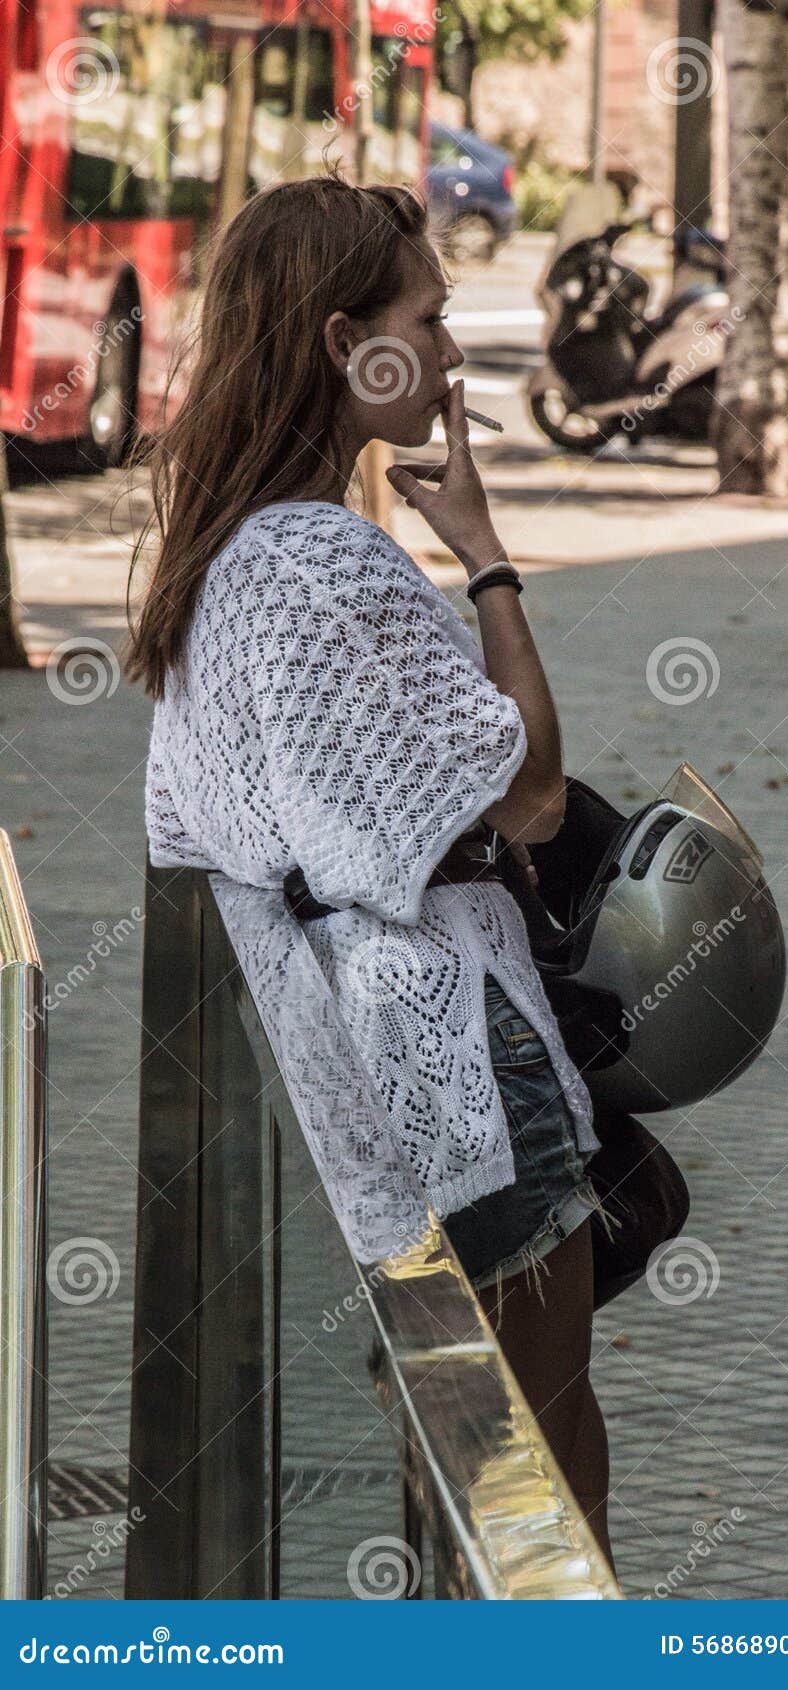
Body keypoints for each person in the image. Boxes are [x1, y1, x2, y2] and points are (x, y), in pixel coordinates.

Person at [124, 167, 617, 1572]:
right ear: (348, 345)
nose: (455, 354)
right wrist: (488, 558)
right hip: (460, 1063)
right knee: (538, 1461)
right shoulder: (325, 563)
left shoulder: (223, 556)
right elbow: (524, 791)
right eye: (431, 318)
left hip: (356, 1072)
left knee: (463, 1446)